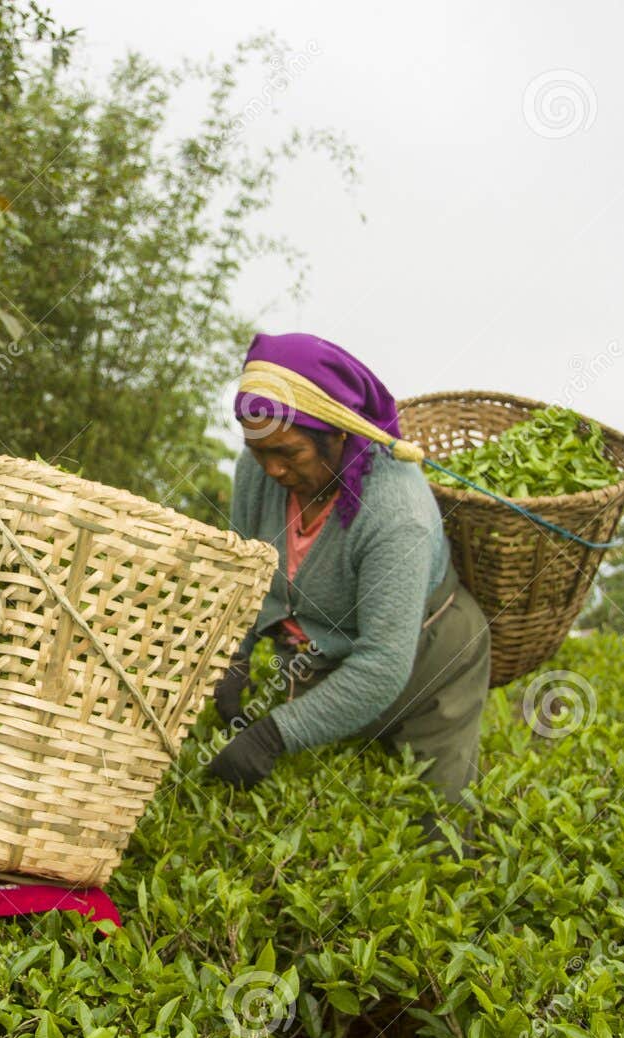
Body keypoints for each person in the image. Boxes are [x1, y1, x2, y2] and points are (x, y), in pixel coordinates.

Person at [206, 332, 492, 815]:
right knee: (322, 800)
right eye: (259, 452)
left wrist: (274, 736)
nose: (272, 469)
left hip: (430, 658)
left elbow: (382, 664)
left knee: (432, 823)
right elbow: (244, 571)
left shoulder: (396, 513)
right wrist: (233, 658)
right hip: (325, 649)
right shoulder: (258, 472)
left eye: (288, 454)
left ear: (337, 433)